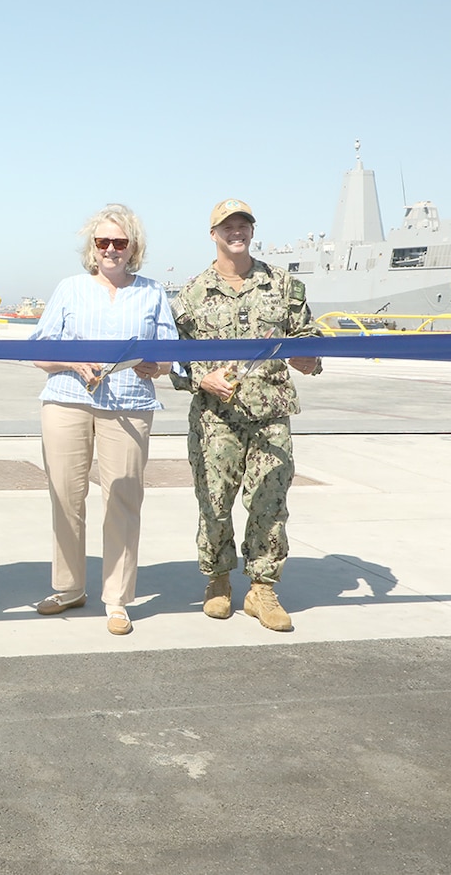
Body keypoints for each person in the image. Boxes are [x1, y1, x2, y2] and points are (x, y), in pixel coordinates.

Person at [171, 198, 321, 631]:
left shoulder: (283, 286)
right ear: (213, 233)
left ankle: (262, 588)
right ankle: (218, 579)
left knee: (269, 502)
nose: (236, 232)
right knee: (215, 503)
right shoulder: (192, 293)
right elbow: (175, 358)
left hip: (270, 412)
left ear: (252, 231)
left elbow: (307, 334)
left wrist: (309, 357)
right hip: (216, 418)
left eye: (244, 225)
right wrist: (201, 377)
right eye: (227, 226)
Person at [29, 204, 176, 635]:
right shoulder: (70, 289)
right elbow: (40, 352)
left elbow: (171, 355)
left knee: (123, 500)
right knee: (65, 496)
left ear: (133, 248)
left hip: (129, 403)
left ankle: (117, 598)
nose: (111, 249)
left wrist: (158, 367)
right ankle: (69, 587)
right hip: (67, 400)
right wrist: (74, 364)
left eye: (119, 242)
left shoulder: (152, 292)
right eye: (103, 242)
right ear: (92, 248)